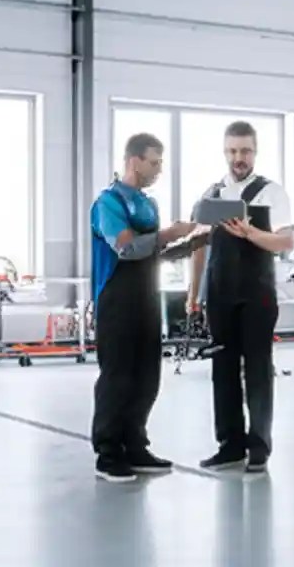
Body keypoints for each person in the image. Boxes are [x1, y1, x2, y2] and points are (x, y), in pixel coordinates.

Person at [89, 132, 200, 482]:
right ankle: (108, 452)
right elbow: (127, 248)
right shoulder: (108, 202)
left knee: (147, 376)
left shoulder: (148, 205)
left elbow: (154, 253)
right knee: (118, 376)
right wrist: (169, 233)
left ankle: (135, 444)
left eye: (161, 163)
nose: (158, 169)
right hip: (116, 299)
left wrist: (194, 240)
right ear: (134, 160)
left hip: (147, 298)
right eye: (154, 162)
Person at [189, 120, 294, 473]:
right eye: (233, 151)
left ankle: (259, 446)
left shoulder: (271, 193)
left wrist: (250, 233)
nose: (239, 158)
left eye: (245, 150)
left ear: (255, 152)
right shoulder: (211, 195)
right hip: (219, 294)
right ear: (224, 152)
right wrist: (194, 295)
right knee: (223, 370)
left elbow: (285, 242)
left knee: (259, 369)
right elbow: (199, 249)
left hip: (258, 295)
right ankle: (230, 446)